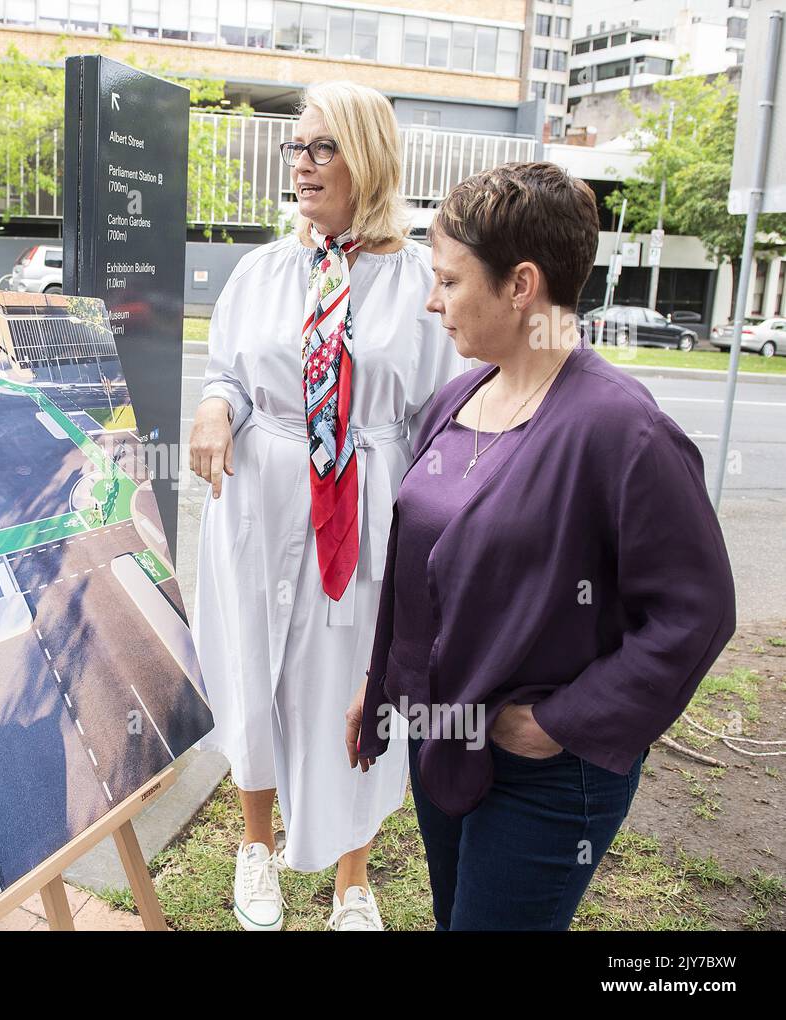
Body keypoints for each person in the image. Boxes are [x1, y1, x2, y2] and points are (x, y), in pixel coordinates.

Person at [349, 162, 737, 930]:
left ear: (521, 286)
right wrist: (386, 681)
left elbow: (697, 612)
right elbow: (420, 571)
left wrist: (562, 721)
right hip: (444, 739)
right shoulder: (458, 398)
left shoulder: (622, 431)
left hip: (546, 774)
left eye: (450, 282)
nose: (433, 302)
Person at [188, 81, 467, 932]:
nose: (302, 166)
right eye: (295, 149)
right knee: (255, 661)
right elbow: (229, 373)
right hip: (260, 500)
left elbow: (438, 415)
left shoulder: (419, 281)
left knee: (356, 681)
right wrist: (213, 406)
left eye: (322, 148)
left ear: (367, 158)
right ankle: (256, 845)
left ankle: (353, 876)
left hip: (368, 508)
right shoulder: (262, 270)